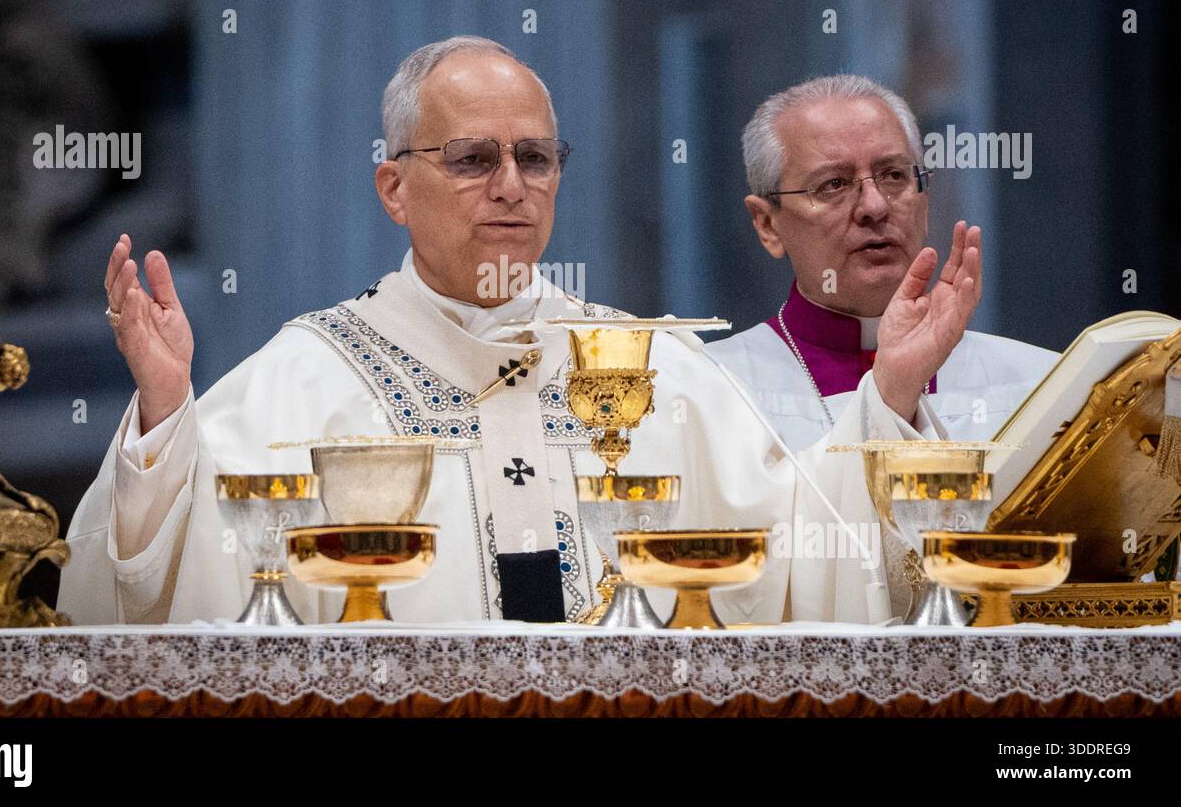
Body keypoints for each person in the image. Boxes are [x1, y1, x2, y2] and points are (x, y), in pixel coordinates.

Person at [59, 40, 982, 627]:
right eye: (472, 160)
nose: (512, 184)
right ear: (393, 189)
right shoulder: (303, 379)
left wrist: (889, 393)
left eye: (535, 157)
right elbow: (155, 581)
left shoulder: (650, 366)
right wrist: (164, 409)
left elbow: (798, 555)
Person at [707, 75, 1057, 615]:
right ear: (766, 224)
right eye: (833, 185)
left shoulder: (1045, 386)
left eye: (894, 176)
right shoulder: (710, 392)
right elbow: (733, 605)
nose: (873, 205)